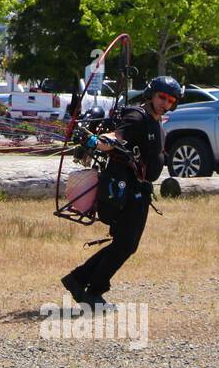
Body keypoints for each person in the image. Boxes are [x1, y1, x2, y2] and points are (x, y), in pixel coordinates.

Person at [61, 76, 180, 309]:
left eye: (170, 100)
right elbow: (116, 138)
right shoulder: (137, 117)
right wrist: (98, 141)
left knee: (126, 243)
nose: (164, 103)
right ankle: (91, 290)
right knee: (126, 244)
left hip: (139, 190)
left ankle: (78, 280)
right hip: (126, 189)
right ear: (151, 95)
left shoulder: (155, 121)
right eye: (161, 97)